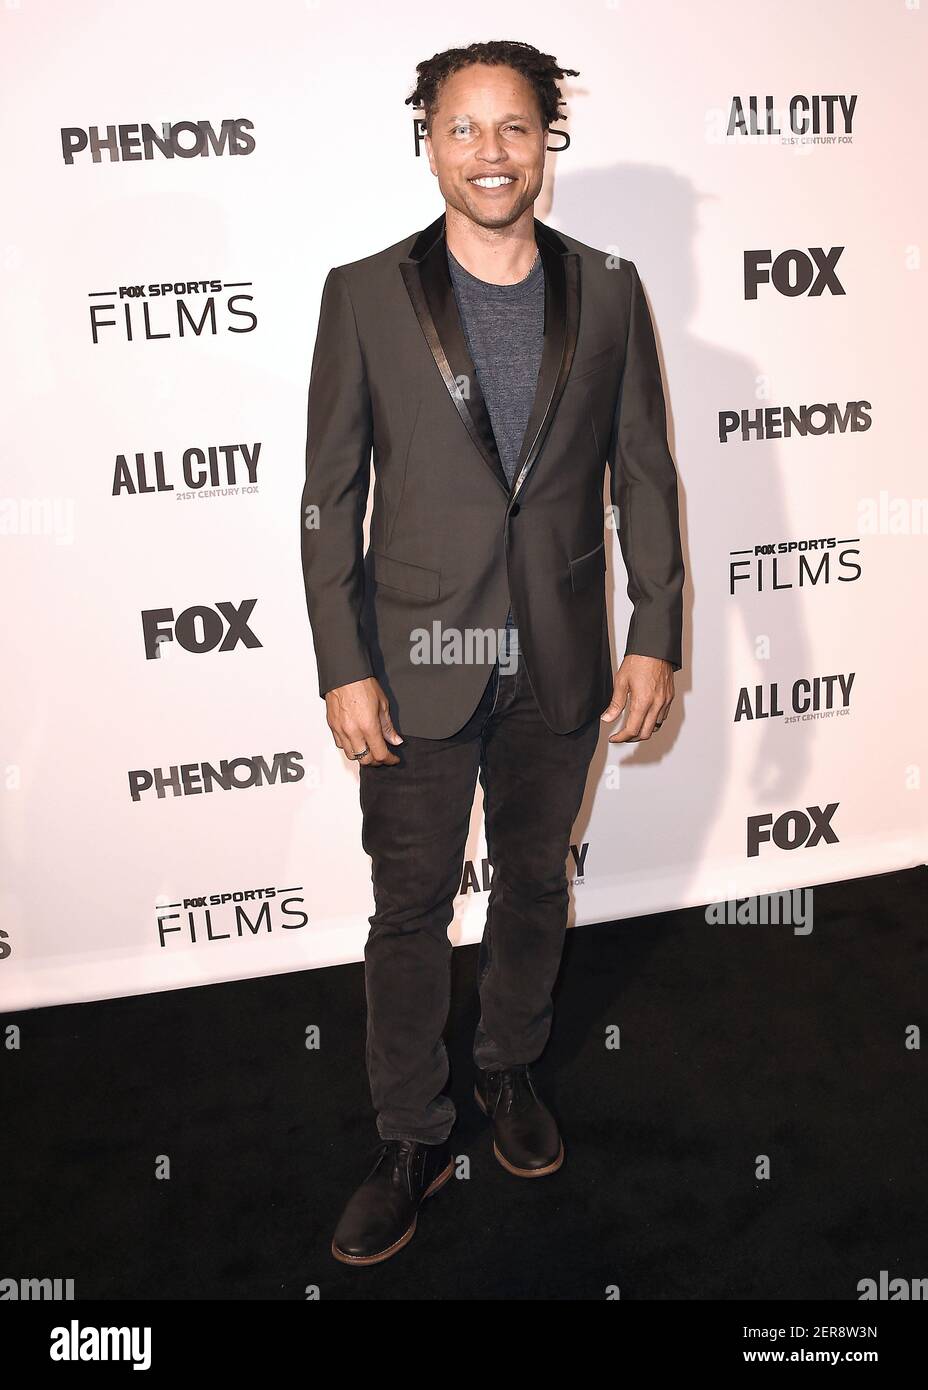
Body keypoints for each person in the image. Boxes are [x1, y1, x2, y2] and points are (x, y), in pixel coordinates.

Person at [300, 39, 685, 1266]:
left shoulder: (611, 288)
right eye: (462, 129)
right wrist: (341, 661)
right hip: (415, 658)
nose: (489, 153)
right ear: (428, 139)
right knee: (408, 913)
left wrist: (657, 630)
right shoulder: (363, 292)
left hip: (562, 659)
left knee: (534, 884)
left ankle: (510, 1069)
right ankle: (411, 1134)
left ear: (546, 141)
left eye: (512, 128)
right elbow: (329, 495)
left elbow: (646, 474)